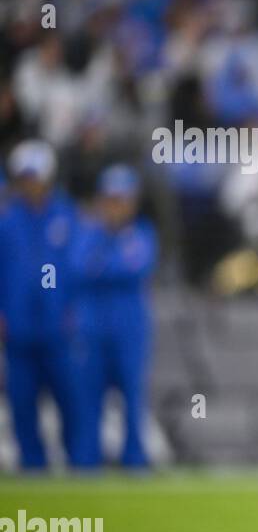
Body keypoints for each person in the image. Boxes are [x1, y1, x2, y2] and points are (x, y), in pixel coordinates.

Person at [0, 139, 81, 470]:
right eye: (25, 178)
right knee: (22, 403)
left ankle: (80, 467)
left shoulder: (68, 216)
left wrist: (75, 313)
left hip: (60, 330)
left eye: (36, 177)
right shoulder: (7, 222)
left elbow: (79, 269)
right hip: (18, 330)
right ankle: (32, 468)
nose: (31, 185)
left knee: (72, 402)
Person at [70, 165, 157, 469]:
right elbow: (78, 268)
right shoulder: (88, 233)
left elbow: (136, 267)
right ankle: (86, 463)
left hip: (130, 330)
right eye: (111, 199)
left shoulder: (143, 233)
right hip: (92, 328)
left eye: (122, 199)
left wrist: (103, 265)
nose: (117, 207)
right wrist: (112, 263)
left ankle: (135, 461)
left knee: (133, 400)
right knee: (88, 400)